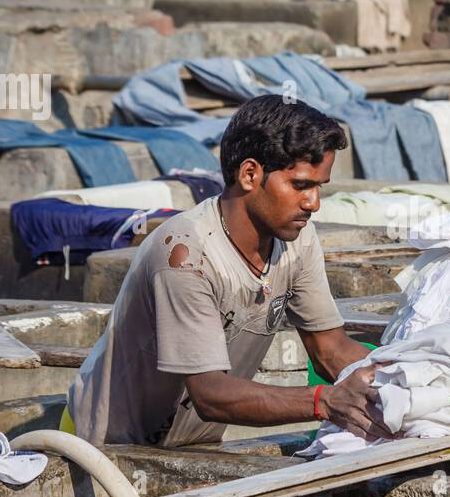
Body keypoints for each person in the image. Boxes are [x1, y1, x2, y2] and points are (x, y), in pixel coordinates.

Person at [68, 95, 388, 447]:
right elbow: (211, 394)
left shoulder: (298, 239)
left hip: (192, 447)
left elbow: (330, 351)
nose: (313, 203)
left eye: (318, 187)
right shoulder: (185, 255)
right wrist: (323, 401)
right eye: (300, 185)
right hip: (102, 448)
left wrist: (412, 368)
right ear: (250, 174)